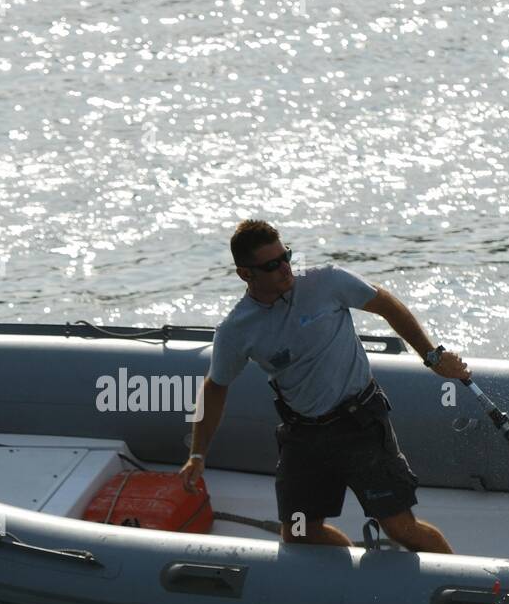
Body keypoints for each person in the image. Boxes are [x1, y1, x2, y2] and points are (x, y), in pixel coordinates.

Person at [179, 219, 470, 551]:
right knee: (301, 532)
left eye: (285, 256)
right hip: (304, 437)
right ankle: (349, 582)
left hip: (360, 423)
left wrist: (432, 356)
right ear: (246, 274)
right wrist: (197, 454)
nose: (285, 268)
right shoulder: (237, 330)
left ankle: (463, 593)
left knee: (399, 527)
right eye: (272, 265)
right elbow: (215, 387)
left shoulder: (325, 282)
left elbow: (385, 303)